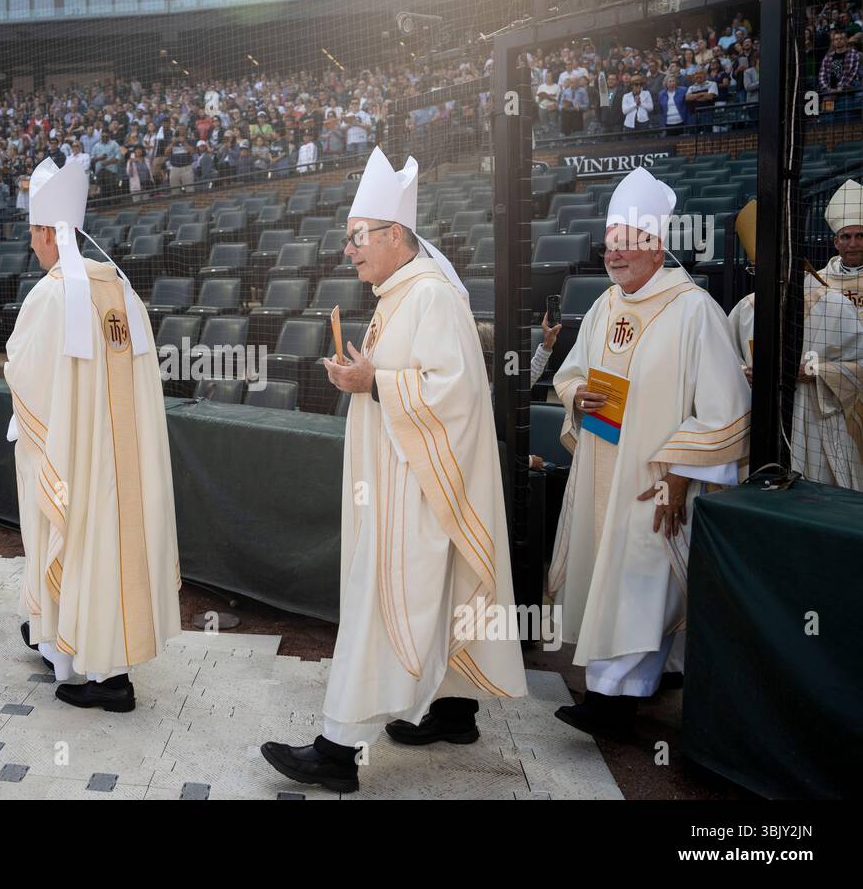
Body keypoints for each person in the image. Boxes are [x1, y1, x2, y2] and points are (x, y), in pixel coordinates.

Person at [260, 147, 526, 793]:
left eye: (358, 238)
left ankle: (336, 751)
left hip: (415, 493)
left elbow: (457, 394)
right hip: (401, 481)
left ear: (396, 235)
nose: (349, 250)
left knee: (381, 607)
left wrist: (373, 383)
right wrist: (367, 379)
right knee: (428, 599)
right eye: (349, 238)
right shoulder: (397, 296)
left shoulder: (431, 298)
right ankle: (456, 709)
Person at [547, 167, 751, 740]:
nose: (615, 256)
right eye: (611, 244)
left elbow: (725, 409)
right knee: (615, 577)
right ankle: (619, 690)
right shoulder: (604, 306)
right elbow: (571, 375)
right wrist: (576, 395)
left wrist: (681, 478)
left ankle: (612, 705)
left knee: (640, 580)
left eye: (628, 245)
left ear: (656, 246)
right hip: (602, 464)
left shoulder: (694, 311)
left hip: (655, 477)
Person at [5, 156, 180, 712]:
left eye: (34, 234)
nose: (33, 246)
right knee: (111, 551)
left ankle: (90, 670)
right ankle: (99, 663)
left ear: (47, 234)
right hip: (123, 460)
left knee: (77, 546)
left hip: (73, 457)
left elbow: (23, 370)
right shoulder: (124, 292)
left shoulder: (53, 293)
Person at [728, 199, 863, 489]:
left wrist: (817, 372)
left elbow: (860, 367)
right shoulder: (747, 308)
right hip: (761, 417)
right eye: (755, 269)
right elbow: (722, 360)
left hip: (817, 419)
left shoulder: (835, 306)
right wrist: (744, 371)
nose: (761, 276)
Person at [820, 179, 863, 312]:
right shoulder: (817, 283)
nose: (853, 244)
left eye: (860, 236)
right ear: (836, 242)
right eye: (846, 237)